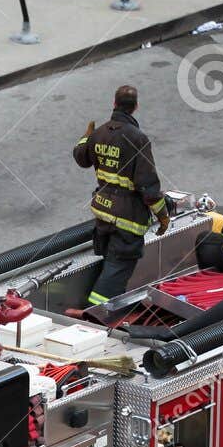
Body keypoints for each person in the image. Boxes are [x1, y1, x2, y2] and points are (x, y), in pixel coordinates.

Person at [71, 84, 169, 312]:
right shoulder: (138, 138)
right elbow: (148, 186)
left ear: (114, 104)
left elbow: (81, 158)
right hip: (127, 219)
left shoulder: (99, 133)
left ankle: (111, 310)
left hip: (103, 213)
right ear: (136, 107)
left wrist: (86, 137)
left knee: (111, 265)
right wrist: (163, 216)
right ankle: (94, 313)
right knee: (116, 269)